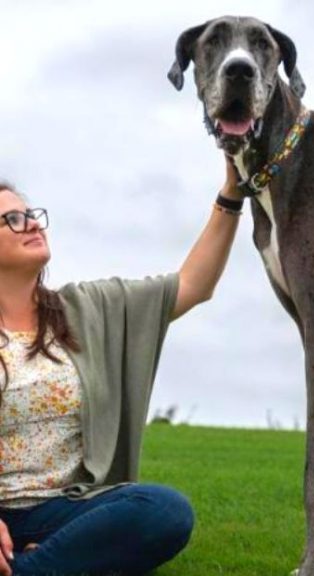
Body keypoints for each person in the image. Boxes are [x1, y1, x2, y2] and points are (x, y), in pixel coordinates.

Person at [0, 158, 244, 575]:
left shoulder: (87, 309)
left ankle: (28, 569)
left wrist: (232, 195)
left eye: (33, 215)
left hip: (69, 509)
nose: (33, 224)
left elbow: (193, 285)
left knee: (164, 511)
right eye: (13, 219)